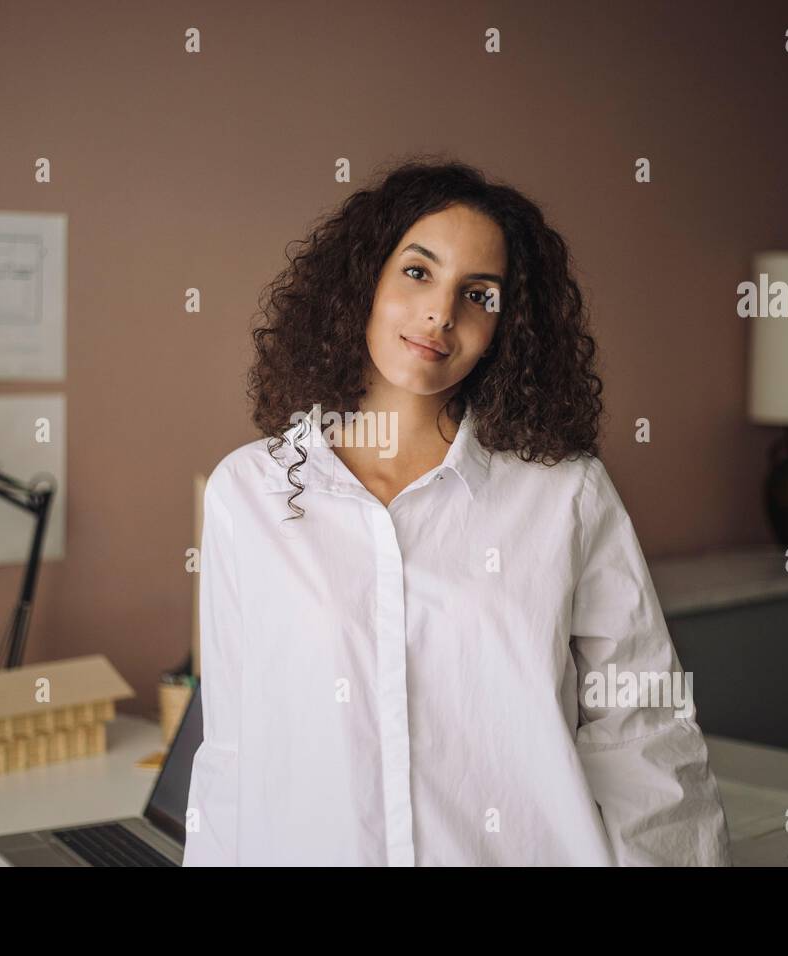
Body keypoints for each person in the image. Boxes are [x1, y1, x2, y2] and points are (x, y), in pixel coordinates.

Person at [183, 158, 731, 866]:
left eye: (480, 293)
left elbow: (645, 732)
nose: (442, 313)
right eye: (418, 272)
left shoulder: (565, 493)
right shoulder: (249, 492)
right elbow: (232, 748)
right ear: (363, 282)